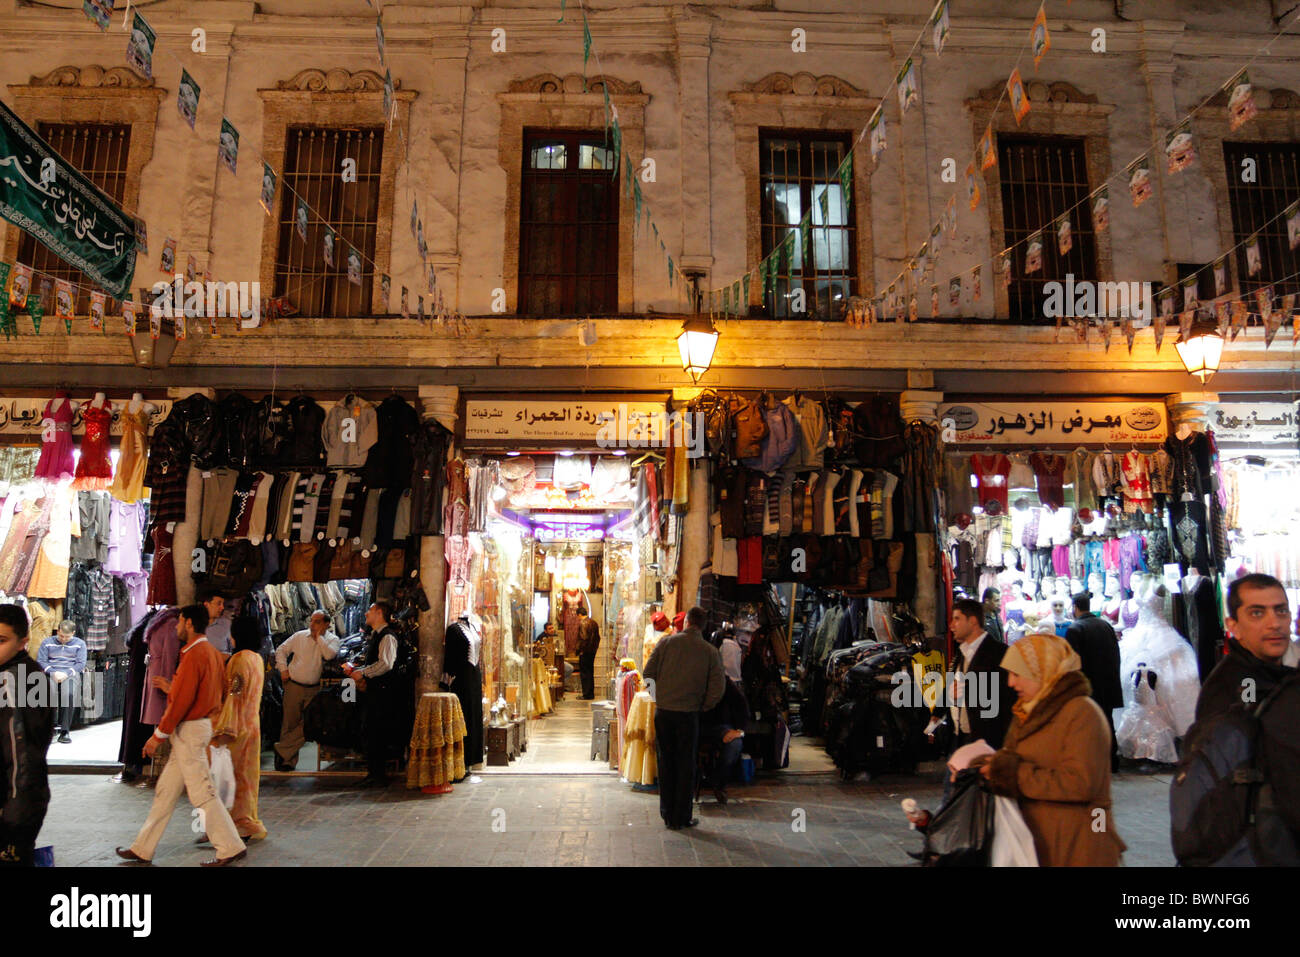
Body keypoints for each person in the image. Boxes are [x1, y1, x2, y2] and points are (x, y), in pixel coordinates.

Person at [972, 632, 1126, 866]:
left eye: (1017, 673)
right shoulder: (1026, 710)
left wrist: (1012, 773)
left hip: (1080, 846)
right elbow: (1016, 759)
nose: (1010, 682)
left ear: (1043, 670)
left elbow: (1080, 784)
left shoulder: (1082, 713)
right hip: (1039, 844)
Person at [116, 604, 247, 867]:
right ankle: (143, 848)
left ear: (187, 622)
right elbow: (209, 692)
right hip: (196, 728)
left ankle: (230, 846)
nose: (176, 626)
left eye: (179, 622)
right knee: (166, 791)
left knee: (201, 792)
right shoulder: (210, 652)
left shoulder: (194, 655)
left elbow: (180, 704)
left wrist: (158, 736)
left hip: (189, 729)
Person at [642, 606, 725, 830]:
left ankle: (668, 814)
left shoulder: (666, 643)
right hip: (689, 715)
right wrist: (703, 706)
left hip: (665, 713)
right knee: (686, 765)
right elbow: (718, 687)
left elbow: (647, 673)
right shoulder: (709, 652)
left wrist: (658, 697)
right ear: (703, 626)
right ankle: (682, 816)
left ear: (686, 622)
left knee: (666, 761)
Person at [1196, 573, 1295, 723]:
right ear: (1233, 626)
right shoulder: (1238, 686)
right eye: (1257, 613)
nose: (1275, 624)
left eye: (1281, 611)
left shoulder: (1274, 673)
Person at [0, 605, 55, 866]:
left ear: (23, 641)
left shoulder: (12, 680)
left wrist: (15, 809)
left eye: (1, 640)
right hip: (24, 797)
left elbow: (20, 749)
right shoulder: (31, 672)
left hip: (13, 801)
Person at [211, 617, 267, 842]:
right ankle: (244, 823)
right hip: (252, 725)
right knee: (247, 777)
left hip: (238, 730)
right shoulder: (257, 659)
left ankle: (242, 825)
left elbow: (235, 695)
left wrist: (224, 728)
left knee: (233, 778)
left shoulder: (239, 660)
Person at [273, 610, 340, 771]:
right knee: (290, 723)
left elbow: (329, 655)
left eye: (317, 622)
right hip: (294, 685)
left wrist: (319, 639)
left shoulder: (332, 640)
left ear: (326, 624)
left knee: (310, 724)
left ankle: (282, 749)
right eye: (311, 621)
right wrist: (283, 669)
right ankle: (287, 760)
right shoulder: (299, 636)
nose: (312, 625)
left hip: (314, 688)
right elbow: (281, 650)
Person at [1064, 591, 1123, 772]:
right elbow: (1116, 655)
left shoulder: (1075, 629)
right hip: (1108, 683)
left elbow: (1073, 663)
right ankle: (1111, 761)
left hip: (1088, 687)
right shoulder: (1105, 626)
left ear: (1075, 608)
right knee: (1107, 721)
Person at [344, 602, 399, 788]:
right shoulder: (377, 636)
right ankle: (373, 773)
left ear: (380, 613)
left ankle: (378, 775)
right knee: (371, 732)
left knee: (377, 733)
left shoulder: (387, 636)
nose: (366, 613)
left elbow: (386, 664)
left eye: (370, 610)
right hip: (375, 693)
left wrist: (363, 673)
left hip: (383, 695)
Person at [948, 598, 1014, 750]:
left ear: (972, 621)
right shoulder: (962, 653)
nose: (952, 625)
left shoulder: (999, 653)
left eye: (957, 619)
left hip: (988, 742)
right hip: (963, 737)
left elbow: (1007, 699)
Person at [37, 620, 87, 745]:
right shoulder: (47, 642)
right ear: (58, 631)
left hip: (70, 674)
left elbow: (80, 664)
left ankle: (65, 730)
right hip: (51, 673)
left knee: (68, 694)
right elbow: (41, 661)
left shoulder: (80, 644)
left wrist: (66, 673)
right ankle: (47, 727)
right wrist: (53, 672)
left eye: (67, 637)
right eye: (61, 636)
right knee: (48, 693)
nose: (63, 639)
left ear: (73, 633)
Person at [576, 607, 601, 700]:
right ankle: (590, 693)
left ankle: (586, 694)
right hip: (592, 651)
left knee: (585, 673)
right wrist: (595, 648)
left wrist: (579, 650)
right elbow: (598, 638)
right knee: (590, 672)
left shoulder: (583, 623)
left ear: (579, 614)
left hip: (585, 651)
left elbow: (583, 638)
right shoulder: (594, 622)